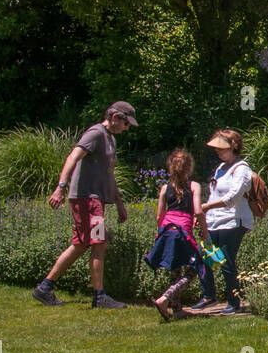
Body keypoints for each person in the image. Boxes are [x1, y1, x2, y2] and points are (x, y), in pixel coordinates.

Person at [32, 102, 136, 310]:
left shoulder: (111, 139)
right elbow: (73, 156)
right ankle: (99, 296)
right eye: (126, 123)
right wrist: (61, 186)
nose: (127, 128)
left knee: (80, 244)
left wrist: (119, 203)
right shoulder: (95, 134)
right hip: (88, 199)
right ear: (115, 117)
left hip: (95, 199)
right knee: (99, 242)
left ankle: (45, 288)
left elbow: (109, 174)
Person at [188, 128, 253, 316]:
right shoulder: (221, 168)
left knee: (226, 261)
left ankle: (234, 300)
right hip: (215, 221)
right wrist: (204, 218)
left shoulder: (242, 169)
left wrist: (206, 207)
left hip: (233, 221)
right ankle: (209, 295)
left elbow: (232, 197)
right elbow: (216, 193)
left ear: (233, 147)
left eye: (222, 148)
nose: (218, 152)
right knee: (206, 256)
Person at [144, 148, 210, 321]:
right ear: (189, 168)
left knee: (175, 269)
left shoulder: (165, 188)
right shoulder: (193, 185)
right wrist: (204, 232)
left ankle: (178, 310)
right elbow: (198, 211)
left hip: (167, 230)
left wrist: (159, 233)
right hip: (182, 231)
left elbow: (159, 215)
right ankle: (165, 298)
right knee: (196, 266)